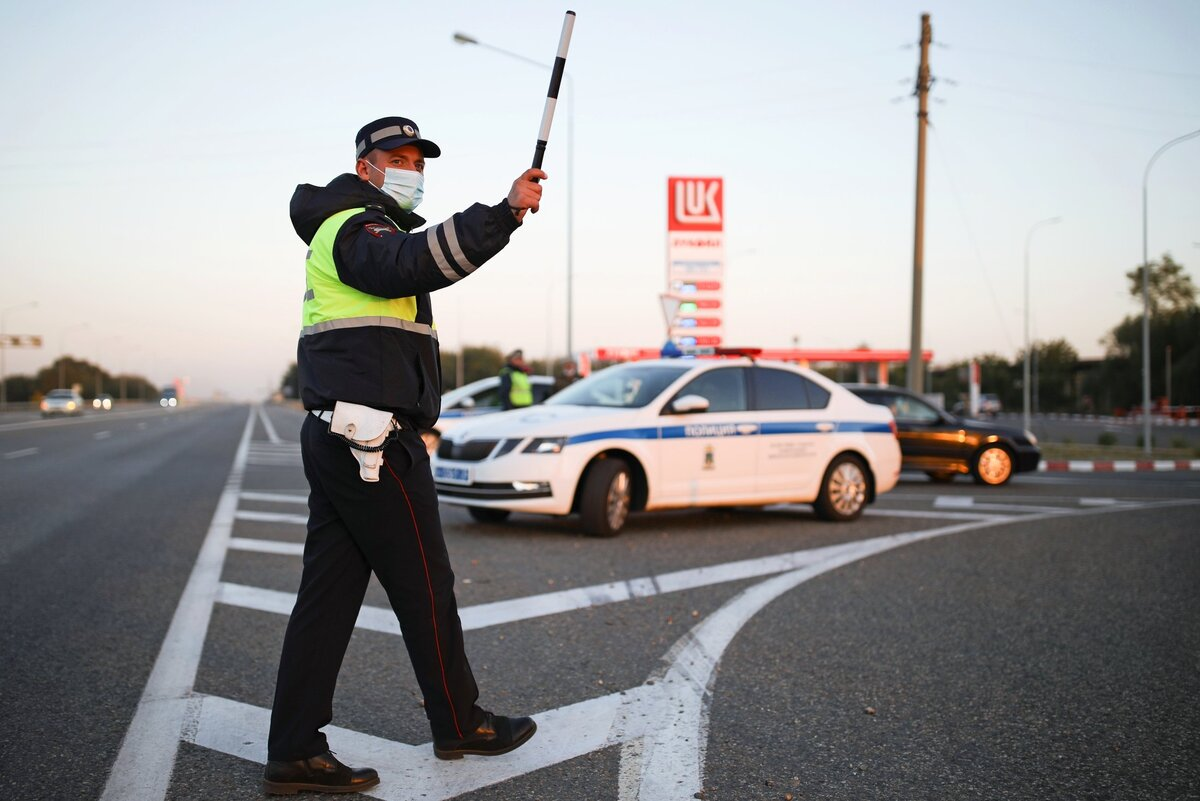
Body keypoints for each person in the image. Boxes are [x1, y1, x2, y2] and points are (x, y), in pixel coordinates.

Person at [264, 116, 544, 796]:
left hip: (344, 434)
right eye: (398, 156)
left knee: (327, 599)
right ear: (366, 166)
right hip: (369, 444)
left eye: (418, 158)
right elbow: (412, 261)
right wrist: (503, 213)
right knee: (425, 585)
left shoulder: (359, 225)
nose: (411, 167)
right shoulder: (356, 228)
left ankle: (295, 749)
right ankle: (459, 722)